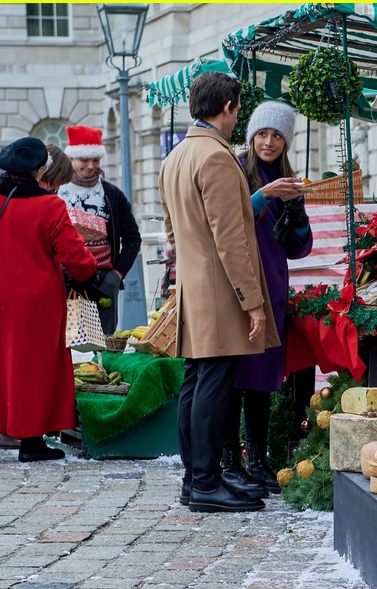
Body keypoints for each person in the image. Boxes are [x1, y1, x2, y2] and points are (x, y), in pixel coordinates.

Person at [159, 71, 280, 513]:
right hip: (220, 288)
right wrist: (253, 302)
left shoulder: (176, 156)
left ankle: (196, 478)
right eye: (237, 109)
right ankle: (206, 483)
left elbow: (172, 233)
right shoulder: (215, 156)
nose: (237, 116)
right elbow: (231, 239)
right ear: (227, 107)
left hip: (195, 285)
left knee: (197, 381)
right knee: (213, 385)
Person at [0, 137, 98, 463]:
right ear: (39, 171)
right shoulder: (50, 206)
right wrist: (90, 274)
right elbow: (77, 260)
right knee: (34, 370)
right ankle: (31, 442)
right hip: (39, 304)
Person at [224, 101, 314, 496]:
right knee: (235, 379)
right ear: (251, 136)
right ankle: (230, 460)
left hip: (274, 287)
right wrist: (263, 195)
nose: (269, 142)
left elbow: (298, 249)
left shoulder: (289, 179)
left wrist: (298, 220)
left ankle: (257, 462)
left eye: (277, 136)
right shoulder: (237, 172)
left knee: (262, 379)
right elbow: (229, 220)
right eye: (262, 133)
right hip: (243, 287)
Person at [57, 125, 141, 334]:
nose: (91, 166)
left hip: (104, 280)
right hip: (63, 279)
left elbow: (132, 238)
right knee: (63, 341)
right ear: (71, 158)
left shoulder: (113, 195)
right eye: (84, 160)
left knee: (104, 342)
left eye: (96, 160)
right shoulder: (55, 192)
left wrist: (117, 274)